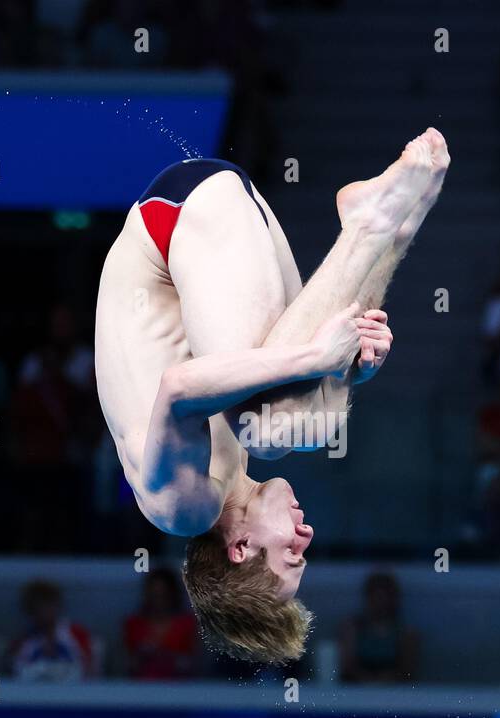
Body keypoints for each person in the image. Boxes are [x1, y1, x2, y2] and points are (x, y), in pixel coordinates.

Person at [95, 130, 449, 664]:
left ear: (239, 550)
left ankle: (372, 225)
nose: (306, 533)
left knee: (273, 429)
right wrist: (353, 364)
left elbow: (178, 389)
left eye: (292, 553)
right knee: (310, 423)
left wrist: (316, 359)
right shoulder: (231, 479)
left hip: (173, 231)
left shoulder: (181, 510)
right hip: (216, 226)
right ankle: (391, 231)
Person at [337, 571, 420, 684]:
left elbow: (407, 671)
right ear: (368, 599)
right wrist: (367, 679)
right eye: (377, 598)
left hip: (394, 690)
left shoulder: (407, 633)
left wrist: (385, 680)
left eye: (385, 599)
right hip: (357, 689)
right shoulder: (351, 629)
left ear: (394, 600)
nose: (381, 605)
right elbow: (347, 666)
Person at [11, 579, 99, 681]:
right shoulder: (24, 639)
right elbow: (16, 671)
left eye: (48, 606)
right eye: (39, 608)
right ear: (31, 611)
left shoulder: (77, 633)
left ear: (57, 606)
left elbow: (90, 667)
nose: (44, 612)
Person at [122, 569, 197, 679]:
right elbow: (123, 664)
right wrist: (142, 657)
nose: (158, 601)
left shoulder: (187, 624)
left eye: (163, 595)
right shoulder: (133, 625)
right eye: (154, 595)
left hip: (181, 688)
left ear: (173, 595)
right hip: (139, 688)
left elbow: (196, 664)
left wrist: (166, 658)